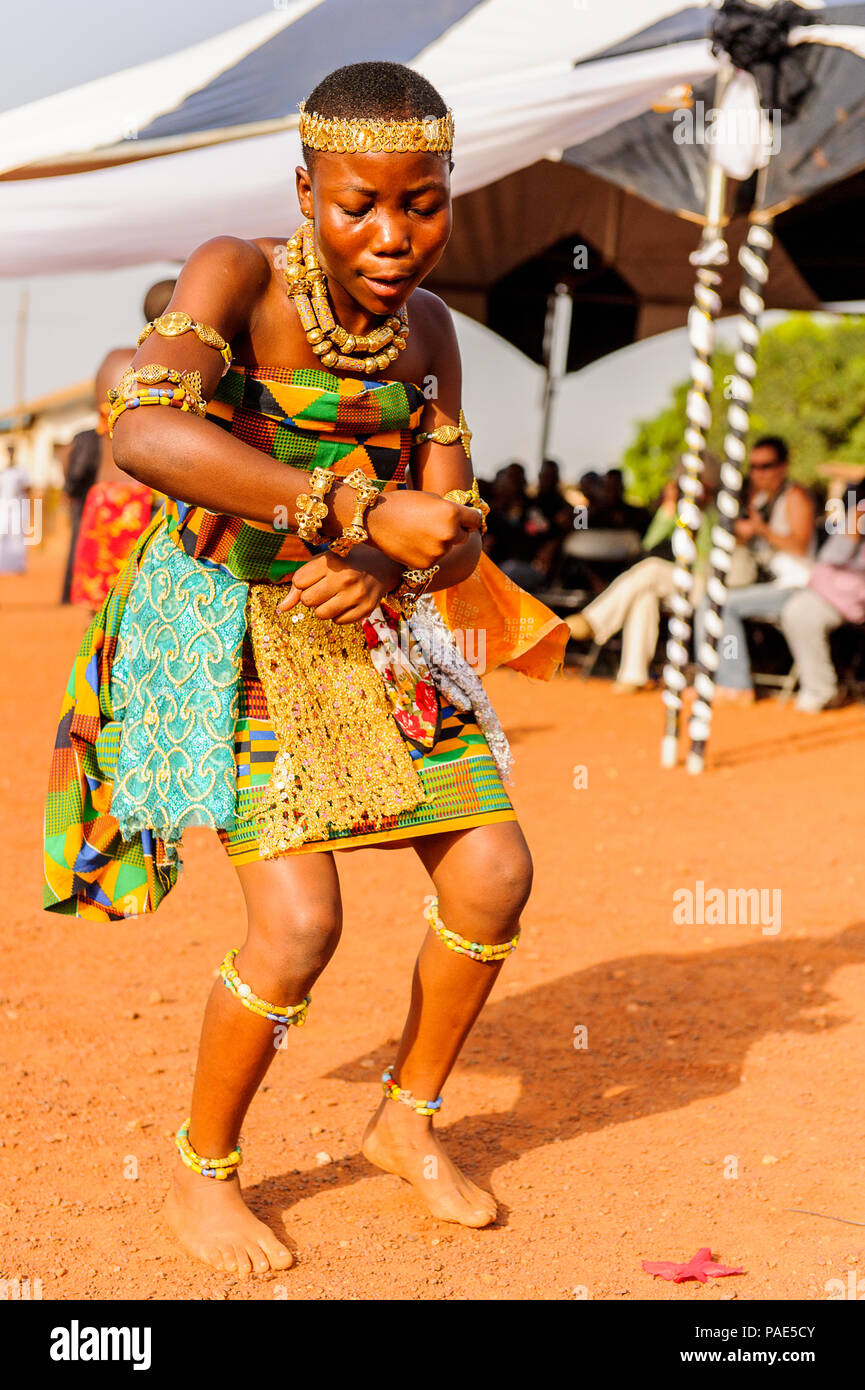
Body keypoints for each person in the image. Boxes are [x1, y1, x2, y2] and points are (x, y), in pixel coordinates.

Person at [42, 61, 567, 1279]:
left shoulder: (429, 328)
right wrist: (347, 510)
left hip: (361, 628)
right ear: (304, 190)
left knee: (493, 875)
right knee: (298, 924)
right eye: (358, 205)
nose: (393, 236)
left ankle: (405, 1119)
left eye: (423, 204)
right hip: (223, 623)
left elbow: (454, 522)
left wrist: (398, 564)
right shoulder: (234, 271)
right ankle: (202, 1173)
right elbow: (142, 427)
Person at [68, 280, 176, 611]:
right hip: (155, 505)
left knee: (100, 625)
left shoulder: (113, 360)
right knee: (153, 620)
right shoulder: (173, 370)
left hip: (106, 499)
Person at [566, 459, 719, 691]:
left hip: (708, 583)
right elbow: (650, 542)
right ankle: (633, 676)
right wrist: (669, 508)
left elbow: (706, 557)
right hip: (681, 583)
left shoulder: (717, 510)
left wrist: (700, 510)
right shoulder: (683, 513)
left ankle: (593, 621)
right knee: (644, 595)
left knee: (652, 569)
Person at [693, 435, 816, 701]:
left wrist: (762, 530)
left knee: (719, 605)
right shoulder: (759, 500)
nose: (759, 473)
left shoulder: (795, 497)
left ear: (783, 466)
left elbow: (800, 547)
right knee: (712, 601)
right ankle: (718, 678)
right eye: (755, 466)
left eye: (766, 466)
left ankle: (736, 684)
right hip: (765, 582)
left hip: (795, 586)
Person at [780, 480, 865, 711]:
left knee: (800, 612)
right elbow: (830, 557)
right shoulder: (853, 518)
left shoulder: (856, 522)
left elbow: (838, 555)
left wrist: (853, 531)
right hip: (819, 590)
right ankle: (819, 688)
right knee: (796, 607)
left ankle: (820, 690)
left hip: (847, 601)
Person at [0, 446, 34, 573]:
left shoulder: (22, 471)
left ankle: (18, 565)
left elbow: (29, 488)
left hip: (18, 507)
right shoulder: (3, 472)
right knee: (2, 533)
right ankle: (3, 564)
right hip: (4, 507)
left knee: (17, 534)